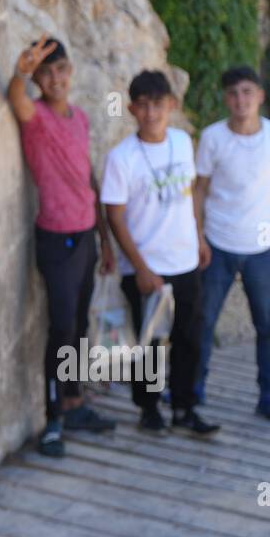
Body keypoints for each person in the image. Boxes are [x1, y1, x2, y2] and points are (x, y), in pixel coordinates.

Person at [6, 34, 116, 457]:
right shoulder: (35, 117)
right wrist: (21, 71)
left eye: (60, 70)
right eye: (45, 73)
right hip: (57, 237)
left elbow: (89, 179)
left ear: (71, 73)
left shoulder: (81, 118)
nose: (54, 78)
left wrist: (104, 239)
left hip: (86, 234)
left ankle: (74, 403)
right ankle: (52, 419)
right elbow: (15, 97)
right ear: (38, 79)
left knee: (80, 327)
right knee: (62, 328)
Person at [101, 70, 219, 437]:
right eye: (144, 105)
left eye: (158, 104)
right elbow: (114, 217)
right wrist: (140, 269)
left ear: (172, 104)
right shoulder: (122, 158)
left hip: (184, 260)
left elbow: (189, 198)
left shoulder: (183, 143)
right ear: (132, 108)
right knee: (148, 342)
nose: (152, 112)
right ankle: (149, 408)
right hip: (145, 267)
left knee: (188, 336)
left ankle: (184, 406)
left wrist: (199, 238)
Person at [193, 65, 270, 425]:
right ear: (226, 99)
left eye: (247, 92)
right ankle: (194, 387)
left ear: (260, 96)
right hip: (217, 244)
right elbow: (200, 189)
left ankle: (269, 396)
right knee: (203, 320)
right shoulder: (212, 138)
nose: (241, 100)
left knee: (267, 326)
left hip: (262, 248)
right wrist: (197, 237)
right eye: (234, 93)